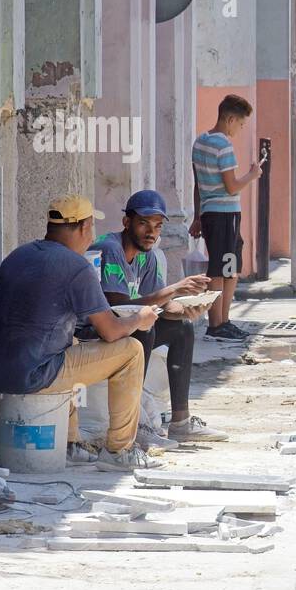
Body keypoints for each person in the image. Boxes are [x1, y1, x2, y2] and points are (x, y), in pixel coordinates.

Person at [0, 195, 163, 472]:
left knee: (69, 344)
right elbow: (110, 332)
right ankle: (120, 451)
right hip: (33, 375)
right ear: (85, 227)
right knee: (131, 351)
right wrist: (138, 319)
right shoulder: (77, 266)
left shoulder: (18, 255)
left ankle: (71, 443)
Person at [93, 189, 228, 445]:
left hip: (126, 328)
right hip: (99, 332)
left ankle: (180, 423)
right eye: (143, 223)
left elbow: (161, 305)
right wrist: (175, 288)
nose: (151, 232)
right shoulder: (109, 249)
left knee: (183, 328)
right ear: (126, 222)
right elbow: (118, 304)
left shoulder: (149, 256)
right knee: (145, 326)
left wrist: (190, 307)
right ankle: (135, 423)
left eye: (157, 226)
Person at [189, 95, 264, 341]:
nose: (239, 130)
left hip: (210, 214)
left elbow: (198, 186)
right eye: (240, 124)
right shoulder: (223, 145)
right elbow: (232, 187)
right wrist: (252, 175)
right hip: (226, 215)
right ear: (230, 119)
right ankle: (219, 323)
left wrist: (198, 216)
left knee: (226, 268)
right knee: (223, 270)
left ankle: (221, 322)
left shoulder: (200, 143)